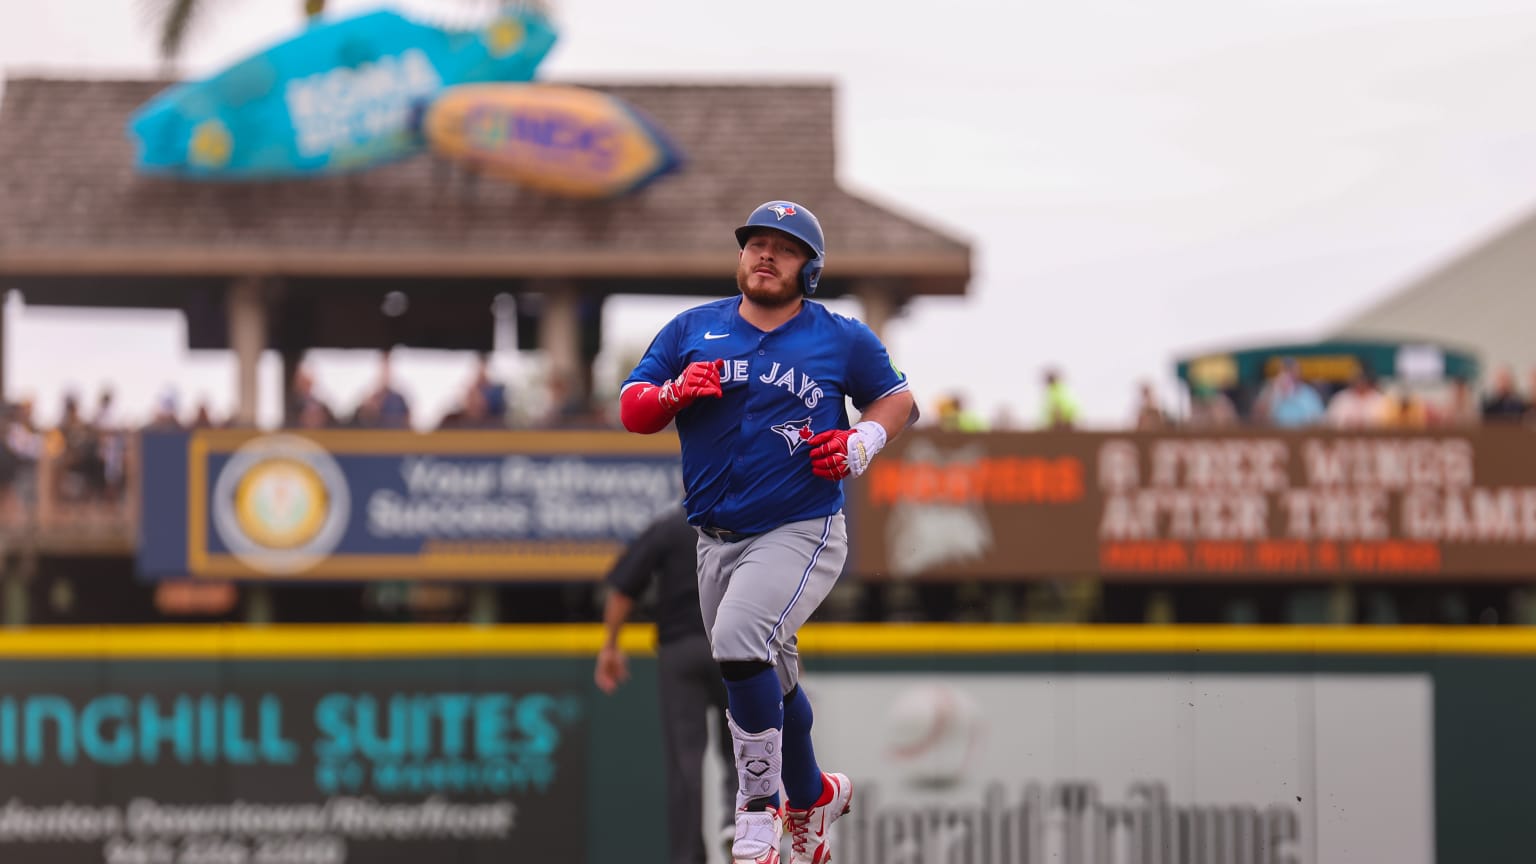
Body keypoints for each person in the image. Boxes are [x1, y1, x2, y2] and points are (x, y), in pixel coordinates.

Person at [619, 200, 918, 864]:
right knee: (768, 676)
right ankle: (814, 794)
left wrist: (863, 440)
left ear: (809, 269)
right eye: (756, 243)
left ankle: (759, 809)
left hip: (800, 526)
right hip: (714, 538)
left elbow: (898, 399)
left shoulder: (841, 337)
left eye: (783, 248)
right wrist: (673, 393)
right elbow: (633, 407)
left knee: (736, 641)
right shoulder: (693, 328)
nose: (765, 255)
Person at [595, 504, 738, 864]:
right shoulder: (742, 519)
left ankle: (689, 855)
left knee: (685, 761)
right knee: (743, 745)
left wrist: (610, 646)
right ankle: (742, 829)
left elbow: (622, 589)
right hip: (734, 647)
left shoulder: (670, 528)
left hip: (681, 650)